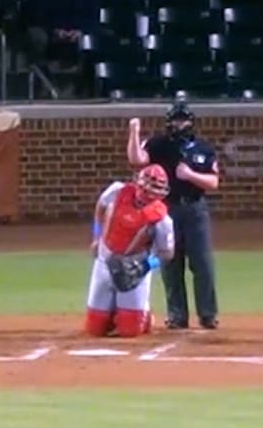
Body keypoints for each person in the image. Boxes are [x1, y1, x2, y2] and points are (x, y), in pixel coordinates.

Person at [127, 101, 221, 330]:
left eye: (183, 119)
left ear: (191, 122)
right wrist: (134, 132)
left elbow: (213, 182)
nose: (179, 125)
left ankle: (208, 314)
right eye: (175, 120)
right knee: (170, 263)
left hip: (194, 209)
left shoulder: (203, 148)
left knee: (202, 263)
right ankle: (177, 314)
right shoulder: (159, 144)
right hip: (165, 209)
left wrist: (190, 175)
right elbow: (137, 160)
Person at [84, 164, 175, 338]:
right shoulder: (117, 191)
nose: (152, 192)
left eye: (157, 188)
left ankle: (145, 317)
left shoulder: (162, 219)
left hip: (134, 266)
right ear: (139, 184)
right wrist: (96, 237)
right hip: (105, 260)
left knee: (129, 331)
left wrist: (146, 265)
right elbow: (100, 207)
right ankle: (110, 311)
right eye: (150, 186)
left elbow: (167, 253)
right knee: (95, 329)